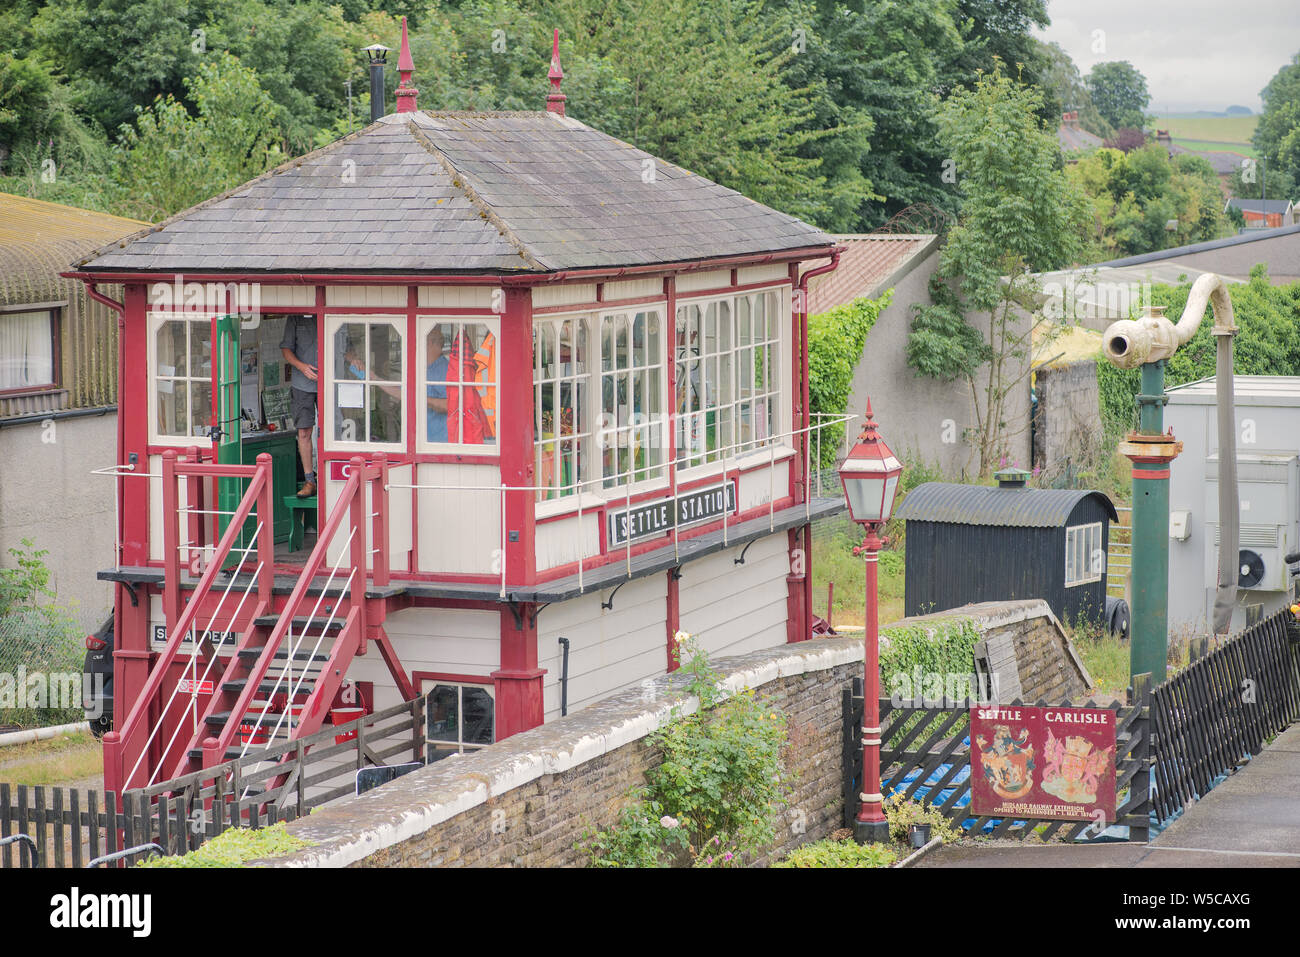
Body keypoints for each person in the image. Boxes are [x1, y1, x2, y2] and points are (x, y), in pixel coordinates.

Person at [279, 314, 318, 497]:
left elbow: (348, 348)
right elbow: (286, 349)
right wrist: (302, 367)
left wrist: (355, 362)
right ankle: (309, 480)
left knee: (333, 431)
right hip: (302, 384)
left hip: (331, 381)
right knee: (304, 432)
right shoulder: (295, 317)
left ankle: (332, 475)